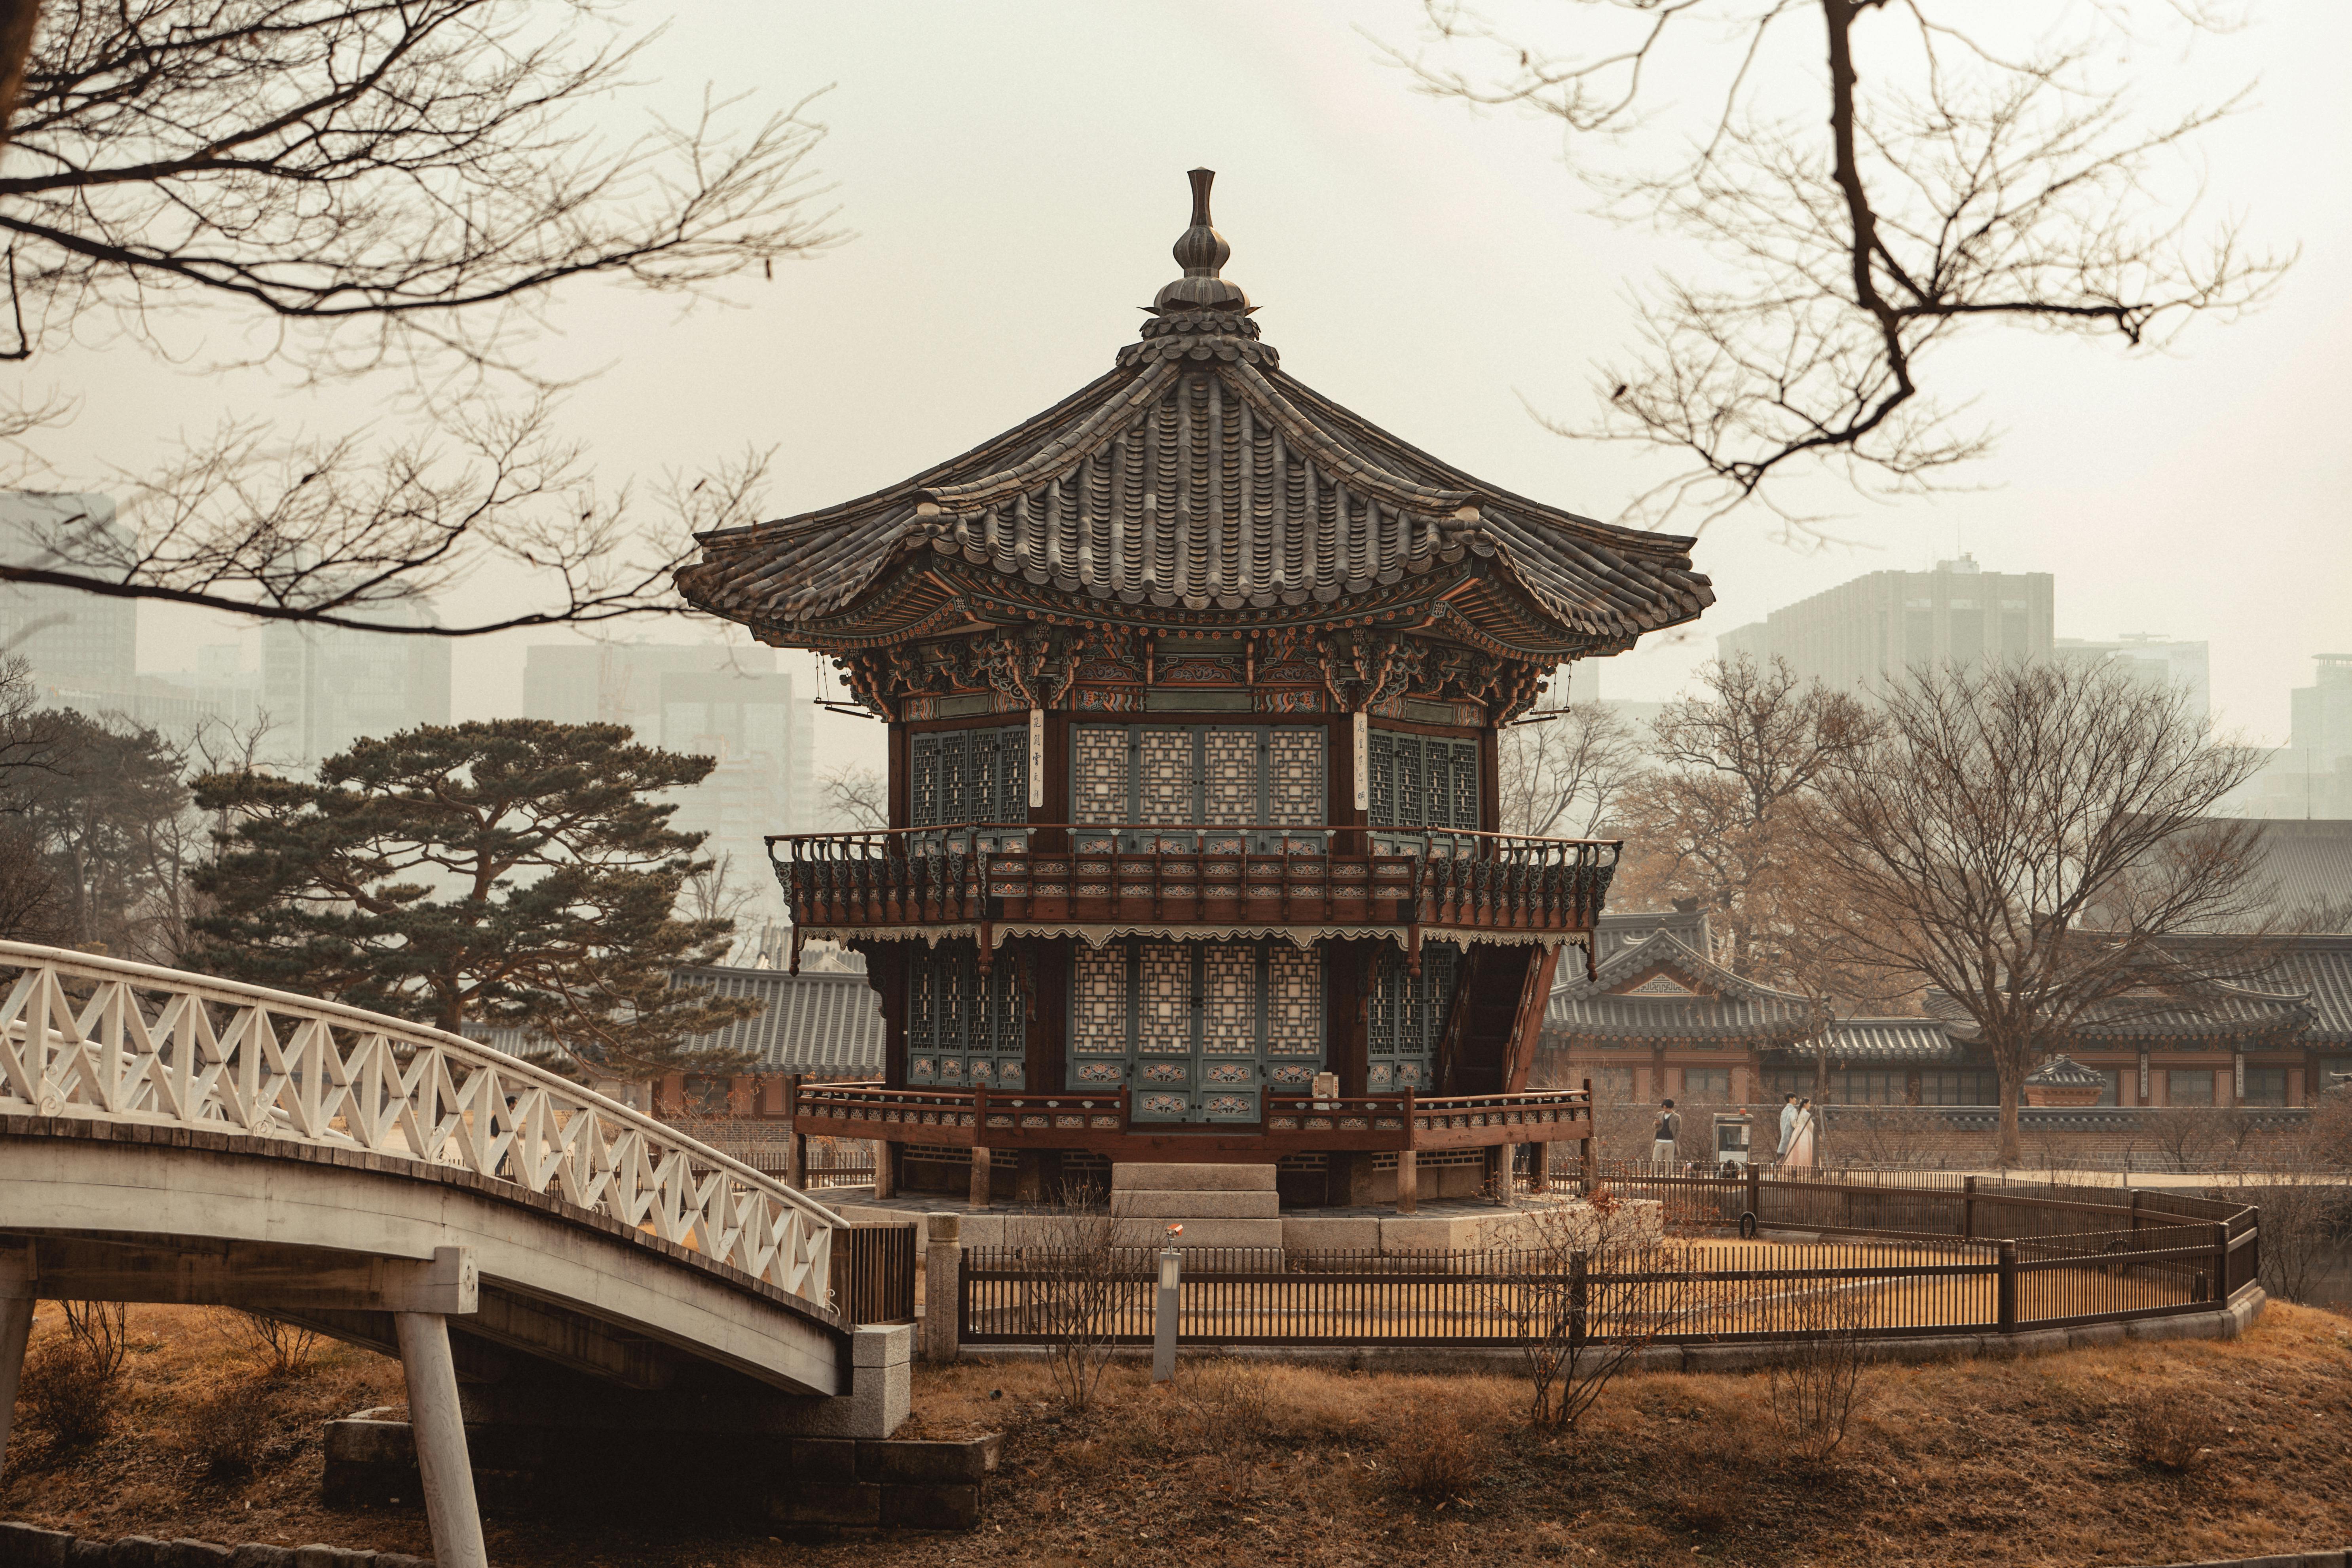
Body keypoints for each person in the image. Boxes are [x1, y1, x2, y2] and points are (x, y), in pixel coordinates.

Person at [1784, 1098, 1818, 1169]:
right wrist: (1816, 1135)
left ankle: (1795, 1168)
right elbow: (1810, 1126)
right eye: (1809, 1103)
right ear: (1805, 1104)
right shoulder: (1806, 1114)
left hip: (1797, 1132)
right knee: (1804, 1149)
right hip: (1804, 1133)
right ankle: (1805, 1168)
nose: (1810, 1105)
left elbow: (1794, 1124)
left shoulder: (1798, 1113)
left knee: (1796, 1150)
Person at [1651, 1097, 1681, 1168]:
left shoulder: (1677, 1117)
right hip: (1659, 1141)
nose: (1665, 1110)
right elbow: (1654, 1127)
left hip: (1670, 1142)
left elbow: (1679, 1130)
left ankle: (1668, 1177)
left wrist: (1675, 1141)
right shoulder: (1659, 1114)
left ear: (1671, 1108)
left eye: (1667, 1108)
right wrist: (1656, 1124)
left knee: (1669, 1161)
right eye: (1664, 1108)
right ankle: (1652, 1176)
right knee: (1655, 1160)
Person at [1777, 1092, 1800, 1163]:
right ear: (1791, 1099)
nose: (1796, 1100)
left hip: (1784, 1134)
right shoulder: (1793, 1110)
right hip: (1791, 1134)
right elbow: (1794, 1123)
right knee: (1788, 1154)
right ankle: (1778, 1165)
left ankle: (1778, 1165)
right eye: (1794, 1098)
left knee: (1785, 1154)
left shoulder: (1784, 1110)